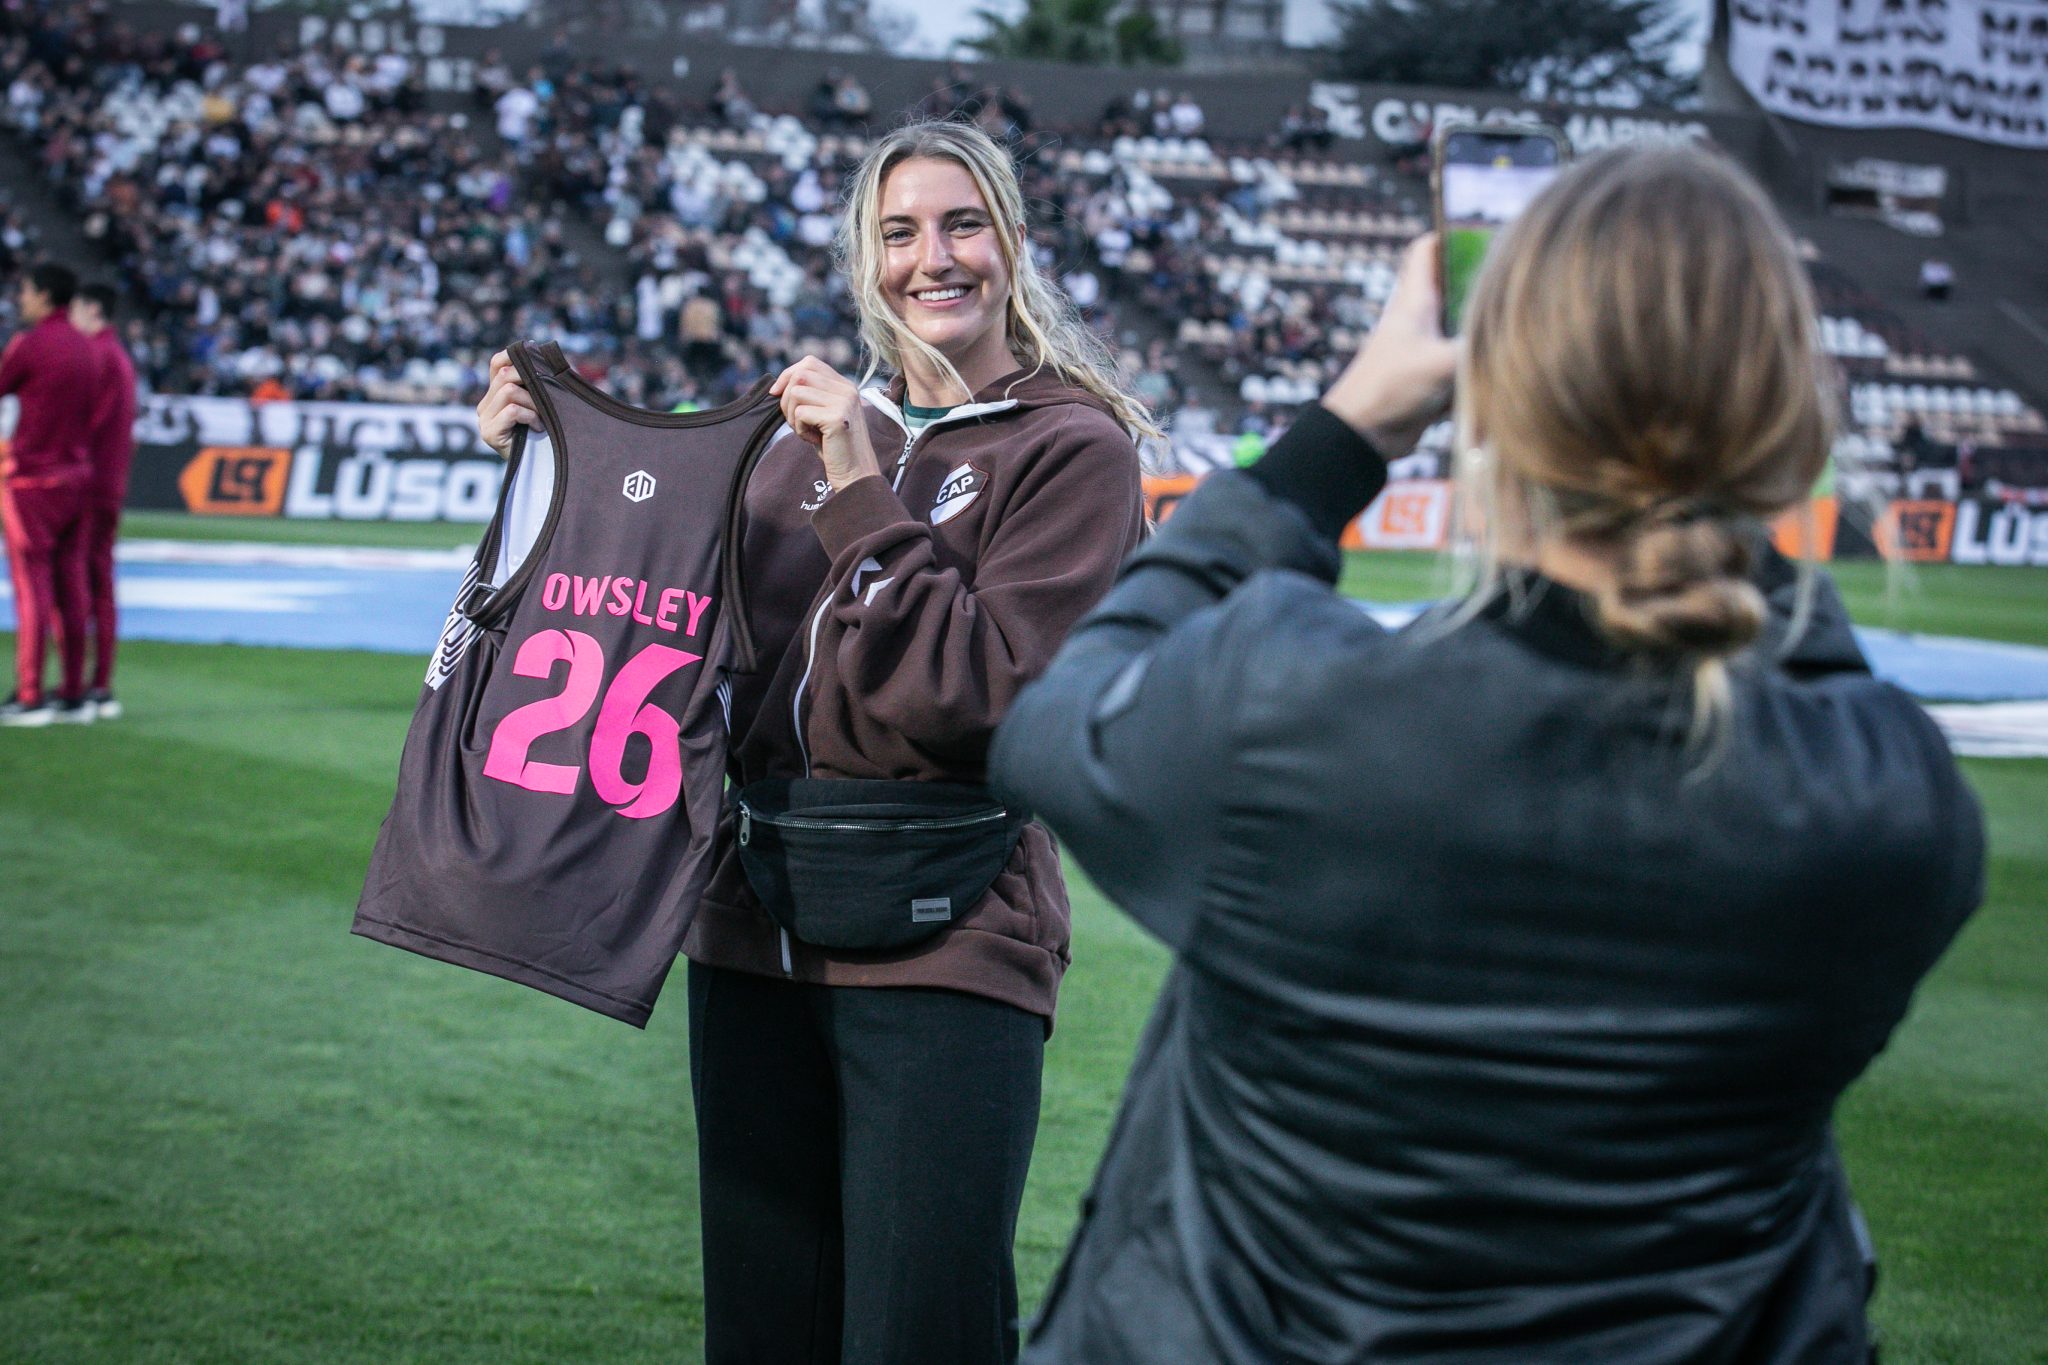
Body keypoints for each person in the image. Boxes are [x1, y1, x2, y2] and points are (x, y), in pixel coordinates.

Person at [991, 145, 1985, 1361]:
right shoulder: (1888, 797)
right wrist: (1711, 471)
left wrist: (1343, 432)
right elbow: (1805, 667)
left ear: (1500, 401)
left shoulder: (1290, 704)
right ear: (1781, 419)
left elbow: (1056, 716)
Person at [474, 120, 1150, 1363]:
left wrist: (853, 482)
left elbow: (987, 700)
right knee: (764, 1329)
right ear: (862, 257)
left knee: (918, 1333)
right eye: (898, 233)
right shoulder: (783, 445)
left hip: (949, 941)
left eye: (962, 226)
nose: (930, 259)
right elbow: (639, 637)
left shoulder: (1071, 450)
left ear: (1011, 244)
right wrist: (533, 472)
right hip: (749, 931)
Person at [0, 262, 98, 726]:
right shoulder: (87, 348)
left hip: (33, 481)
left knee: (32, 586)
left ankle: (30, 692)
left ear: (43, 296)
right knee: (72, 586)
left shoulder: (32, 344)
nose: (21, 299)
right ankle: (74, 691)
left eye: (26, 291)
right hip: (79, 478)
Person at [69, 282, 136, 719]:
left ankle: (87, 684)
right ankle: (96, 683)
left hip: (89, 485)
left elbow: (85, 425)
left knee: (80, 583)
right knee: (98, 583)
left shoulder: (100, 356)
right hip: (105, 482)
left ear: (92, 309)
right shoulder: (116, 356)